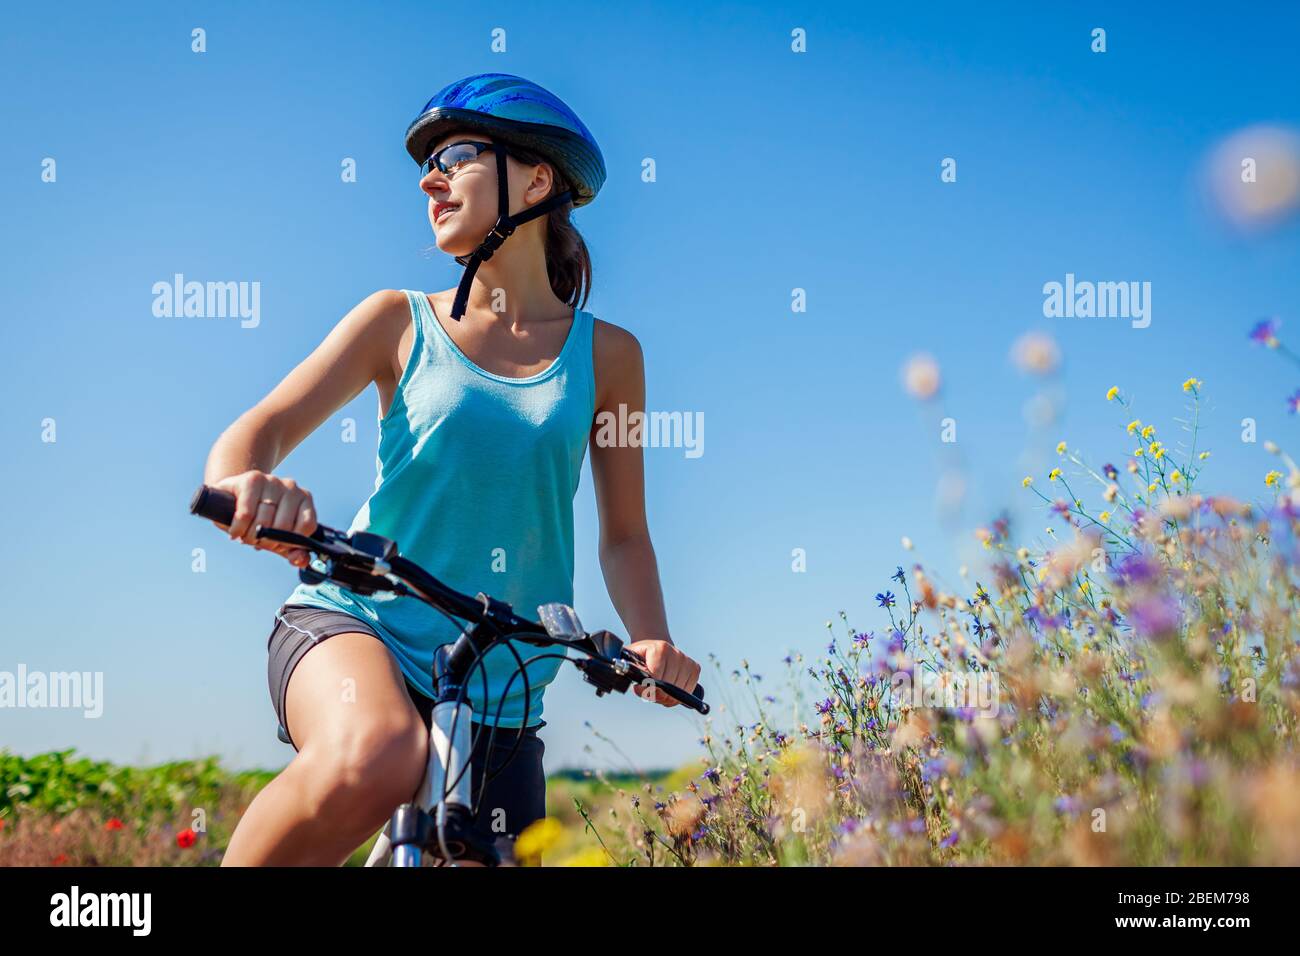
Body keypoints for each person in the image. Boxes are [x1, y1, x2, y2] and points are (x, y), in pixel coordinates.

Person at [203, 73, 701, 865]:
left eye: (459, 156)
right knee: (375, 753)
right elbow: (250, 438)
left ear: (539, 179)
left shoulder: (610, 357)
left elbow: (626, 534)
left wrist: (651, 640)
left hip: (506, 678)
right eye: (425, 166)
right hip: (362, 625)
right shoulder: (394, 322)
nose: (430, 179)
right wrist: (248, 487)